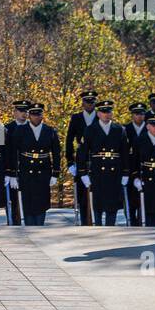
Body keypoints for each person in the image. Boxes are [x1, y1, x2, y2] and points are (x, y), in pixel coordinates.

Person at [5, 102, 60, 226]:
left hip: (43, 170)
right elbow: (13, 152)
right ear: (29, 116)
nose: (36, 117)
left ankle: (40, 226)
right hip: (26, 170)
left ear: (42, 116)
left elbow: (56, 153)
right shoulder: (20, 130)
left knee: (42, 201)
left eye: (38, 114)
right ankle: (29, 227)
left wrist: (55, 173)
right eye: (33, 114)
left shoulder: (50, 131)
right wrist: (12, 174)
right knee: (27, 202)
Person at [76, 100, 128, 226]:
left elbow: (125, 153)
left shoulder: (119, 130)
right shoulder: (90, 130)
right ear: (98, 114)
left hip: (114, 173)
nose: (106, 114)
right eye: (103, 112)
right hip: (97, 173)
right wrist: (82, 173)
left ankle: (111, 230)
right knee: (97, 207)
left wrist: (126, 173)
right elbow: (82, 153)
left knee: (112, 206)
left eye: (108, 112)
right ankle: (97, 229)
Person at [65, 90, 99, 226]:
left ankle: (96, 219)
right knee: (82, 192)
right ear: (83, 103)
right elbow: (69, 140)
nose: (90, 105)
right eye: (87, 102)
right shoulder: (76, 118)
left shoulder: (101, 116)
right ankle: (85, 220)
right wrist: (69, 161)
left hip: (97, 157)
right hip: (81, 157)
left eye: (92, 102)